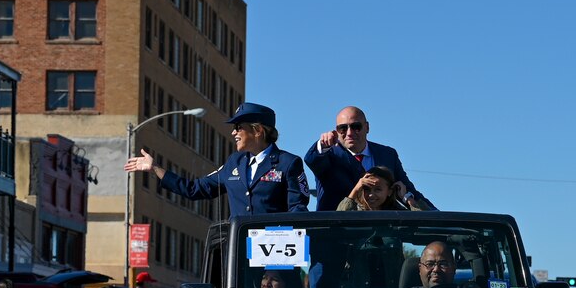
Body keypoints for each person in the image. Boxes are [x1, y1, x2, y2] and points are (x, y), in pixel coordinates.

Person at [124, 102, 310, 215]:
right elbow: (194, 189)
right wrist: (155, 168)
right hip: (239, 255)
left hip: (275, 258)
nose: (233, 132)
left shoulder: (288, 163)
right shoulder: (234, 163)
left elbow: (298, 210)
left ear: (258, 130)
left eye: (238, 127)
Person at [305, 106, 429, 212]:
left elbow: (408, 189)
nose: (349, 133)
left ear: (367, 127)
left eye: (356, 126)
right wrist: (322, 145)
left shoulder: (387, 155)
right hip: (338, 234)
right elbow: (311, 159)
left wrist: (437, 215)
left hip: (381, 232)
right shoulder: (328, 155)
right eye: (343, 128)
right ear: (336, 131)